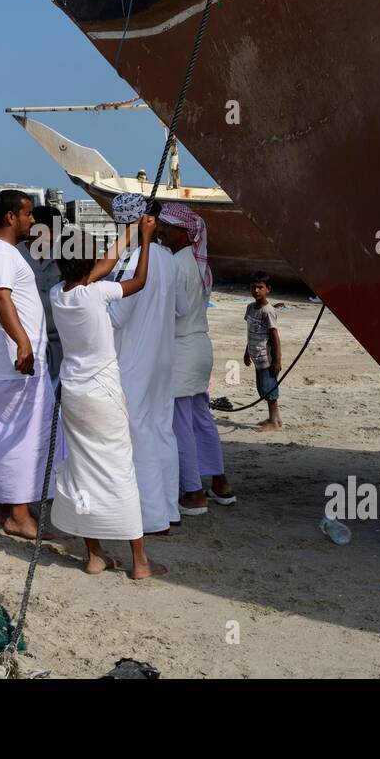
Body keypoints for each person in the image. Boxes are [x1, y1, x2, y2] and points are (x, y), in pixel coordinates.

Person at [50, 215, 166, 580]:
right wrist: (146, 240)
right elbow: (140, 280)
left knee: (83, 469)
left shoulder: (59, 293)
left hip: (73, 393)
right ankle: (140, 561)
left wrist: (130, 231)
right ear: (88, 264)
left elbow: (105, 264)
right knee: (119, 471)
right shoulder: (95, 293)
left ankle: (95, 554)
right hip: (102, 393)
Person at [0, 189, 61, 539]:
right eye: (27, 215)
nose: (32, 220)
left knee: (5, 433)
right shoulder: (0, 252)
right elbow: (0, 296)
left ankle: (4, 506)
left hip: (9, 357)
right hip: (15, 359)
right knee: (23, 437)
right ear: (11, 216)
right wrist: (23, 341)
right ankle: (20, 515)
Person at [106, 193, 180, 534]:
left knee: (140, 432)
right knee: (162, 428)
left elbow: (116, 314)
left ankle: (152, 517)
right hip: (162, 357)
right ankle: (169, 506)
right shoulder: (168, 258)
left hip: (135, 358)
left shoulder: (135, 260)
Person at [157, 204, 237, 513]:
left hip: (182, 349)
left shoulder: (176, 264)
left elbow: (174, 311)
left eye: (165, 226)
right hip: (200, 346)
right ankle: (220, 483)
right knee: (201, 419)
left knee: (180, 424)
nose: (160, 230)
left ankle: (193, 492)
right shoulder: (197, 263)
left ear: (181, 231)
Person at [18, 204, 63, 380]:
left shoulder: (63, 258)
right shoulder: (15, 257)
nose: (54, 237)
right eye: (50, 231)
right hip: (26, 345)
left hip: (58, 345)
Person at [244, 271, 283, 431]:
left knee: (269, 390)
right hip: (256, 357)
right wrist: (247, 352)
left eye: (260, 287)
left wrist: (277, 360)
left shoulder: (268, 311)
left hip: (266, 359)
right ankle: (275, 418)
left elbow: (275, 337)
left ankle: (273, 423)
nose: (256, 291)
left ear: (268, 289)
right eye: (253, 287)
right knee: (263, 389)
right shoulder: (250, 308)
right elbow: (250, 332)